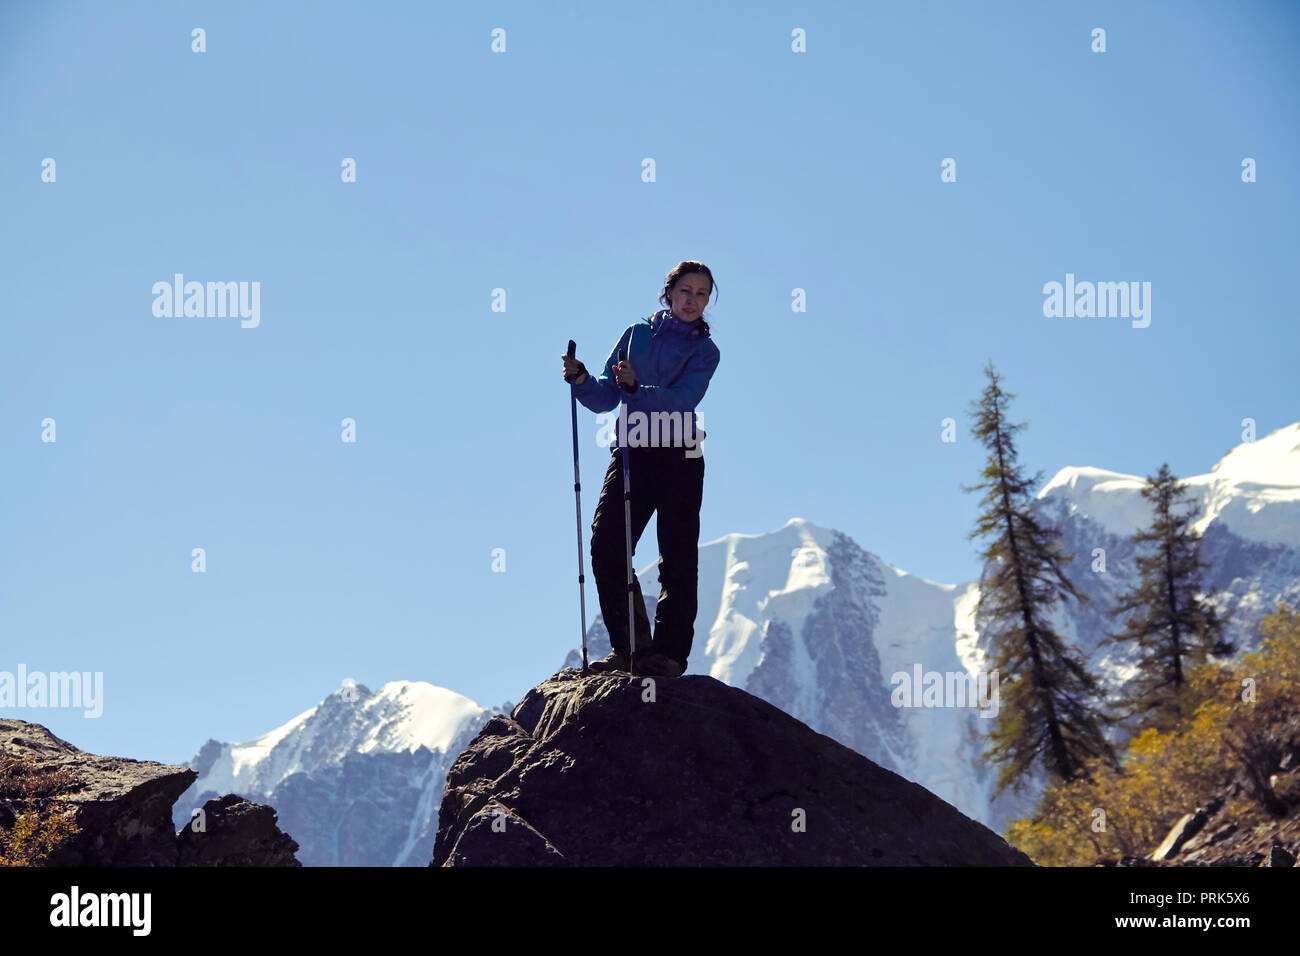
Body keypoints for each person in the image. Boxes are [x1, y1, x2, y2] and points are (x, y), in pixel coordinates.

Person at [560, 261, 721, 677]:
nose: (693, 301)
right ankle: (631, 649)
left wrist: (636, 389)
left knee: (677, 556)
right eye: (686, 291)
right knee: (607, 545)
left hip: (681, 456)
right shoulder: (635, 335)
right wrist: (580, 380)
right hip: (633, 452)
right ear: (669, 293)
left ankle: (668, 656)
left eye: (702, 294)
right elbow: (605, 395)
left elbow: (684, 400)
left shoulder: (706, 351)